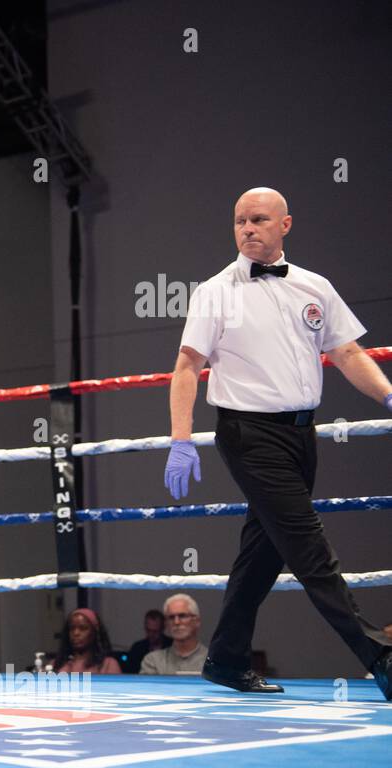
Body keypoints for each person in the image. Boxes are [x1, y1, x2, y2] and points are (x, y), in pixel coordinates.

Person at [165, 186, 392, 697]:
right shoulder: (215, 291)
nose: (248, 228)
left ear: (285, 225)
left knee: (263, 553)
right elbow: (187, 367)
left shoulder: (313, 286)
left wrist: (388, 396)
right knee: (308, 546)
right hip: (248, 435)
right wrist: (182, 439)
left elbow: (349, 353)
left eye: (259, 220)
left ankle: (225, 659)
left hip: (300, 434)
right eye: (240, 220)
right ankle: (380, 655)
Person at [140, 594, 209, 675]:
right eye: (171, 617)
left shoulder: (214, 661)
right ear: (166, 624)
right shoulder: (153, 661)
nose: (176, 622)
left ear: (197, 621)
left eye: (182, 616)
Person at [51, 607, 122, 674]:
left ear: (95, 632)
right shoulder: (57, 664)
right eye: (72, 628)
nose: (76, 633)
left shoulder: (108, 664)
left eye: (83, 628)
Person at [119, 609, 170, 674]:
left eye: (155, 632)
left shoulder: (171, 646)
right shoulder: (137, 649)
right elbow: (130, 674)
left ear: (163, 629)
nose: (151, 635)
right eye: (148, 630)